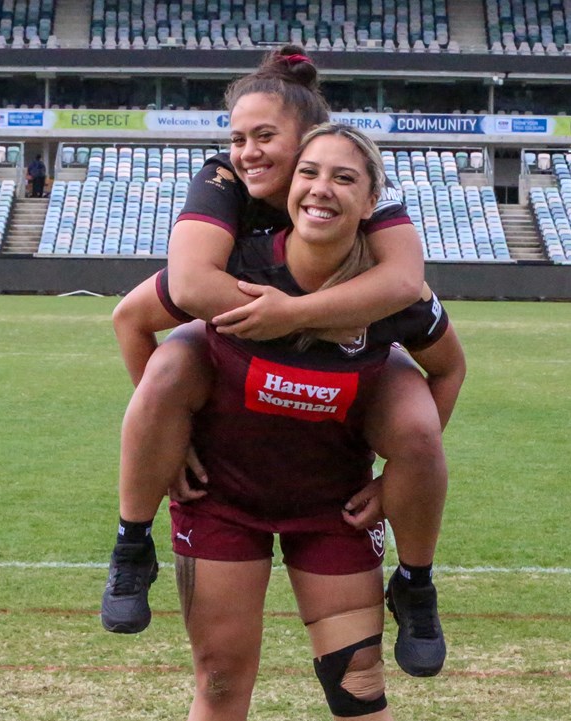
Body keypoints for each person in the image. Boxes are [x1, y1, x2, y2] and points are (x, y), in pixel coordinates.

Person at [133, 123, 465, 721]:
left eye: (344, 178)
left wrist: (391, 480)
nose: (321, 189)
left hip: (331, 508)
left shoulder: (392, 294)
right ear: (289, 190)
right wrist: (170, 449)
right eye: (309, 173)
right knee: (221, 679)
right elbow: (134, 320)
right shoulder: (237, 269)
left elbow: (449, 368)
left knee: (359, 681)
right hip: (224, 499)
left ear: (373, 201)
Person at [104, 48, 452, 679]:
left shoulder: (351, 185)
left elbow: (404, 282)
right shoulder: (224, 181)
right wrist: (171, 441)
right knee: (172, 365)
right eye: (238, 137)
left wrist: (295, 315)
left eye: (266, 136)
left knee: (416, 424)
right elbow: (183, 284)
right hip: (244, 338)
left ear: (311, 141)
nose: (248, 151)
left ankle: (416, 581)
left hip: (335, 369)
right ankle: (132, 542)